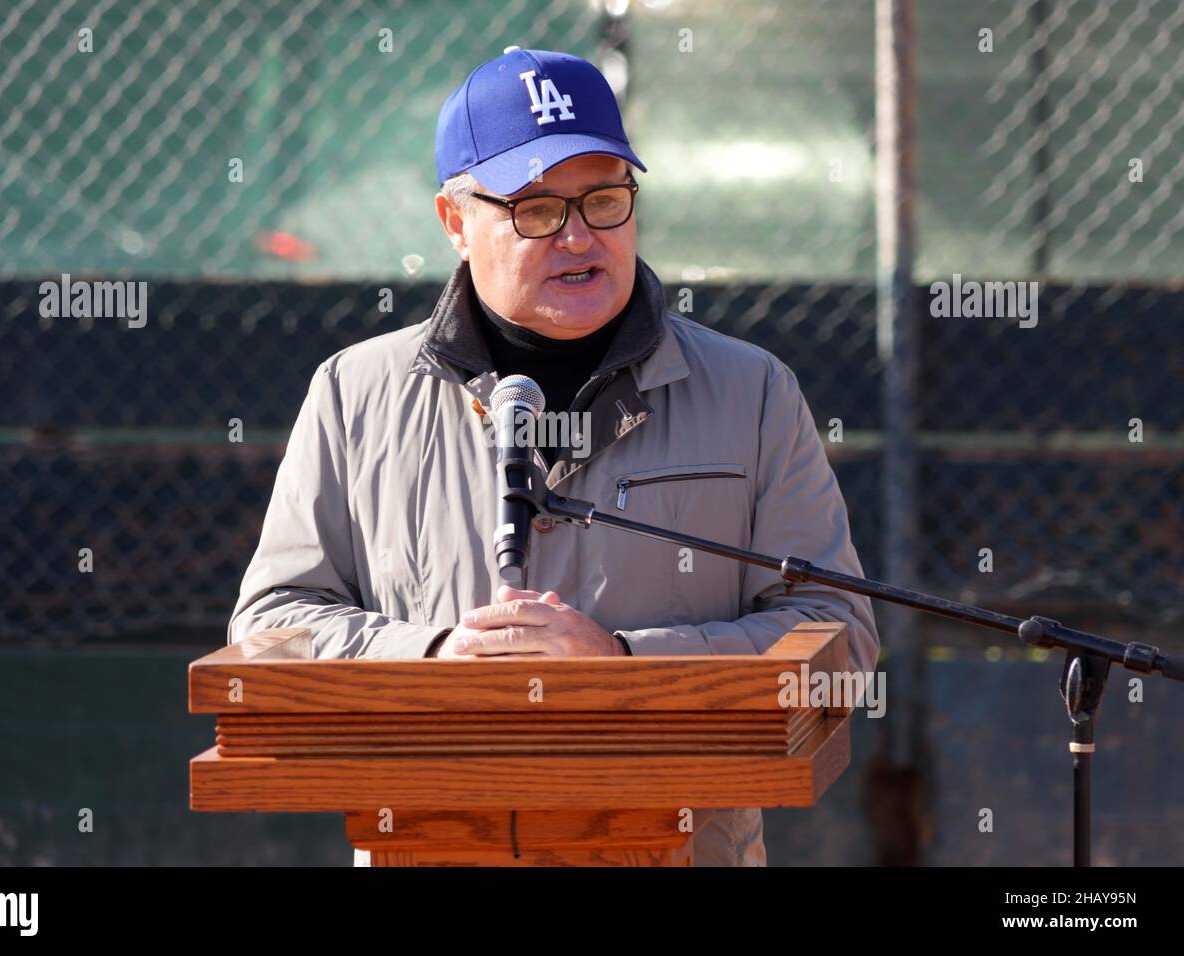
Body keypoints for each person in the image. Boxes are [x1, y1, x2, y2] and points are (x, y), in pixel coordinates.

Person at [228, 47, 880, 866]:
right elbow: (272, 626)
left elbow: (837, 638)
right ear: (456, 222)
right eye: (536, 208)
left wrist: (622, 664)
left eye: (604, 199)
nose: (580, 237)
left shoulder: (751, 392)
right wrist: (433, 659)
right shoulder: (354, 395)